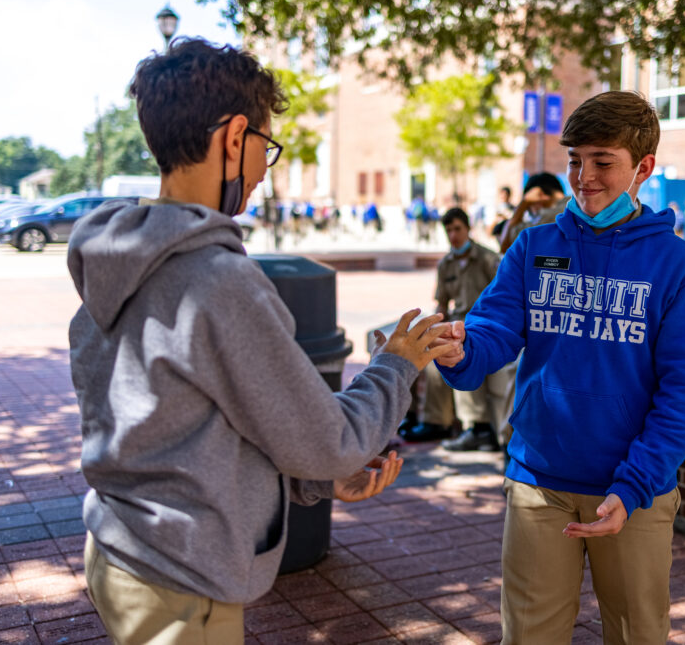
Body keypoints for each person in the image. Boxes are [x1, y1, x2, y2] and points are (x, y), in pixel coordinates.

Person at [67, 38, 456, 645]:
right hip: (183, 580)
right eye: (265, 149)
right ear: (234, 137)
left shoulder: (114, 261)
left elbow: (194, 425)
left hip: (121, 551)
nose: (259, 172)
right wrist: (395, 366)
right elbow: (331, 440)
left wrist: (318, 480)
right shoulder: (218, 279)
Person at [434, 91, 685, 644]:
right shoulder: (535, 247)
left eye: (602, 162)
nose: (583, 177)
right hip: (540, 482)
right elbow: (494, 331)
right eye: (574, 161)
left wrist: (634, 484)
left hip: (636, 489)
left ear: (644, 168)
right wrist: (459, 349)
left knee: (637, 634)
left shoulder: (678, 265)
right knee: (529, 635)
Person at [399, 208, 514, 450]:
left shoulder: (487, 258)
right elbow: (441, 303)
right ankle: (434, 422)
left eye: (457, 229)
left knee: (462, 356)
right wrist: (432, 328)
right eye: (448, 230)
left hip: (482, 323)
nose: (453, 235)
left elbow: (503, 297)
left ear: (468, 228)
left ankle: (478, 427)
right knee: (432, 357)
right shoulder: (446, 264)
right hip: (456, 323)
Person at [498, 172, 567, 253]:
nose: (533, 214)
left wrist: (524, 202)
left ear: (539, 196)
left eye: (529, 208)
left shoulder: (551, 215)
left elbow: (505, 245)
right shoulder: (573, 207)